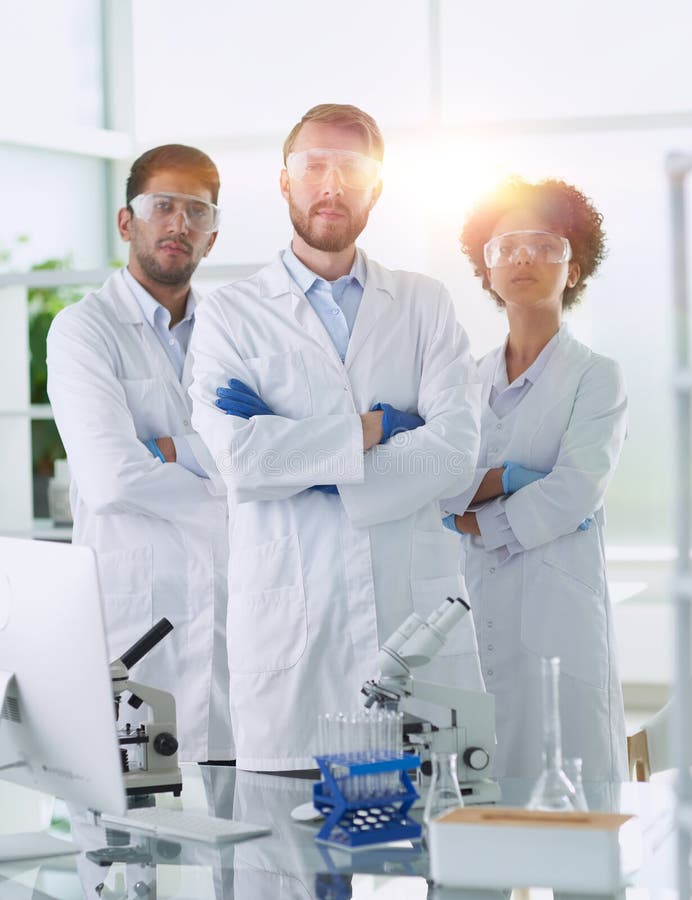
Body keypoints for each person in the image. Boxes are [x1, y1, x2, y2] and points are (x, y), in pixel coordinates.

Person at [188, 103, 484, 771]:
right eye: (313, 165)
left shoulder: (423, 302)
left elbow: (456, 450)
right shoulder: (232, 315)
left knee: (438, 850)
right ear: (284, 181)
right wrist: (377, 429)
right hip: (293, 633)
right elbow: (238, 459)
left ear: (376, 186)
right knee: (286, 863)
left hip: (408, 618)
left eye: (351, 168)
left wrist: (299, 454)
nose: (331, 184)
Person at [47, 145, 233, 763]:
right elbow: (112, 479)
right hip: (131, 621)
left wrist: (174, 451)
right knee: (125, 839)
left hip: (229, 622)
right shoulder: (83, 330)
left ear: (211, 236)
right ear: (128, 222)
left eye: (197, 213)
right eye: (163, 206)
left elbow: (276, 453)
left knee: (235, 833)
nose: (179, 224)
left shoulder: (234, 336)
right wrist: (238, 484)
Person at [442, 177, 627, 781]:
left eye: (545, 245)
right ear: (487, 267)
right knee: (478, 821)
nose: (524, 257)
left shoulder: (597, 377)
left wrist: (475, 515)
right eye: (507, 246)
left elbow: (576, 489)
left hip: (560, 624)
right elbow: (437, 482)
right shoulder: (463, 381)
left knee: (575, 834)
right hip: (473, 616)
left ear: (573, 269)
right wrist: (509, 479)